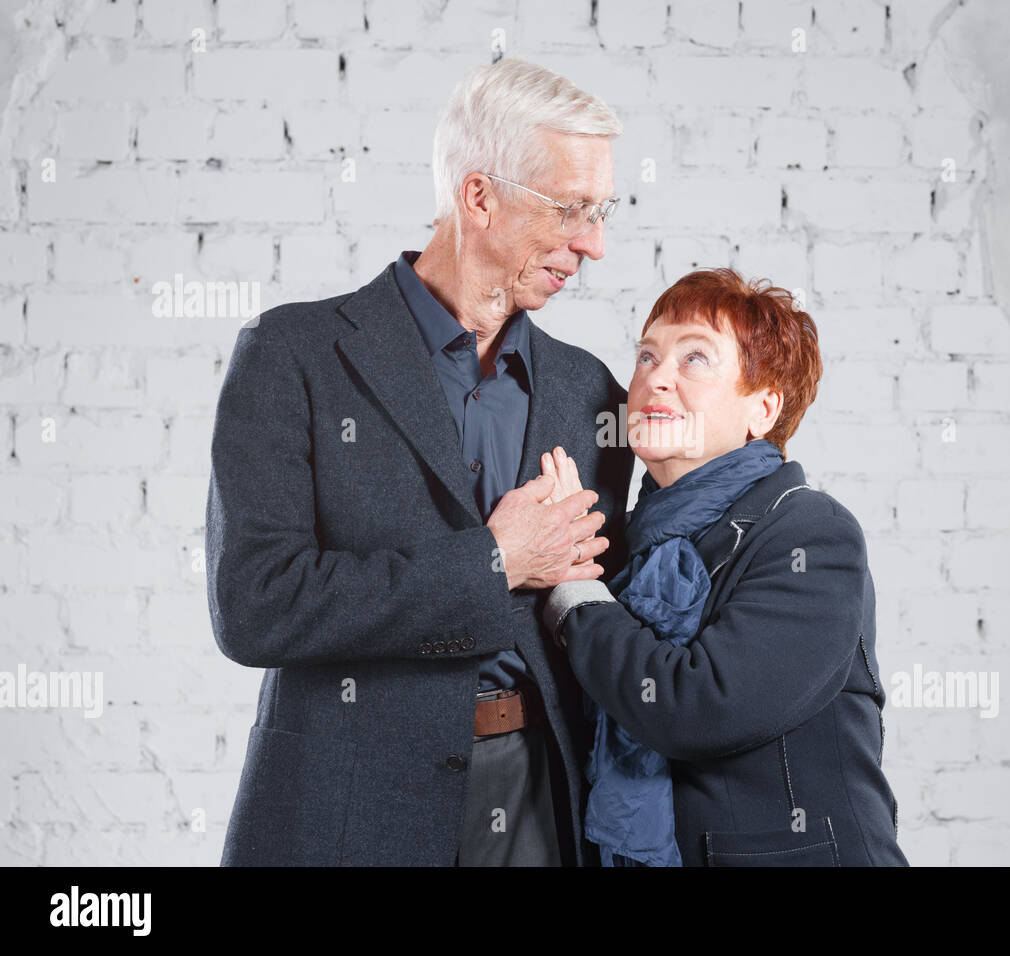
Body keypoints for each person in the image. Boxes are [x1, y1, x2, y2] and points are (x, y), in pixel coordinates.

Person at [207, 57, 634, 866]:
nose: (595, 244)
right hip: (348, 804)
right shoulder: (293, 357)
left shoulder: (592, 393)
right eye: (573, 209)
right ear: (479, 197)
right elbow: (255, 604)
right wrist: (496, 559)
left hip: (546, 800)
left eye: (604, 210)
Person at [539, 267, 908, 866]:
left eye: (695, 360)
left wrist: (574, 593)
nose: (656, 379)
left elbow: (700, 706)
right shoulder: (628, 548)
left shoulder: (809, 533)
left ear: (762, 409)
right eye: (647, 356)